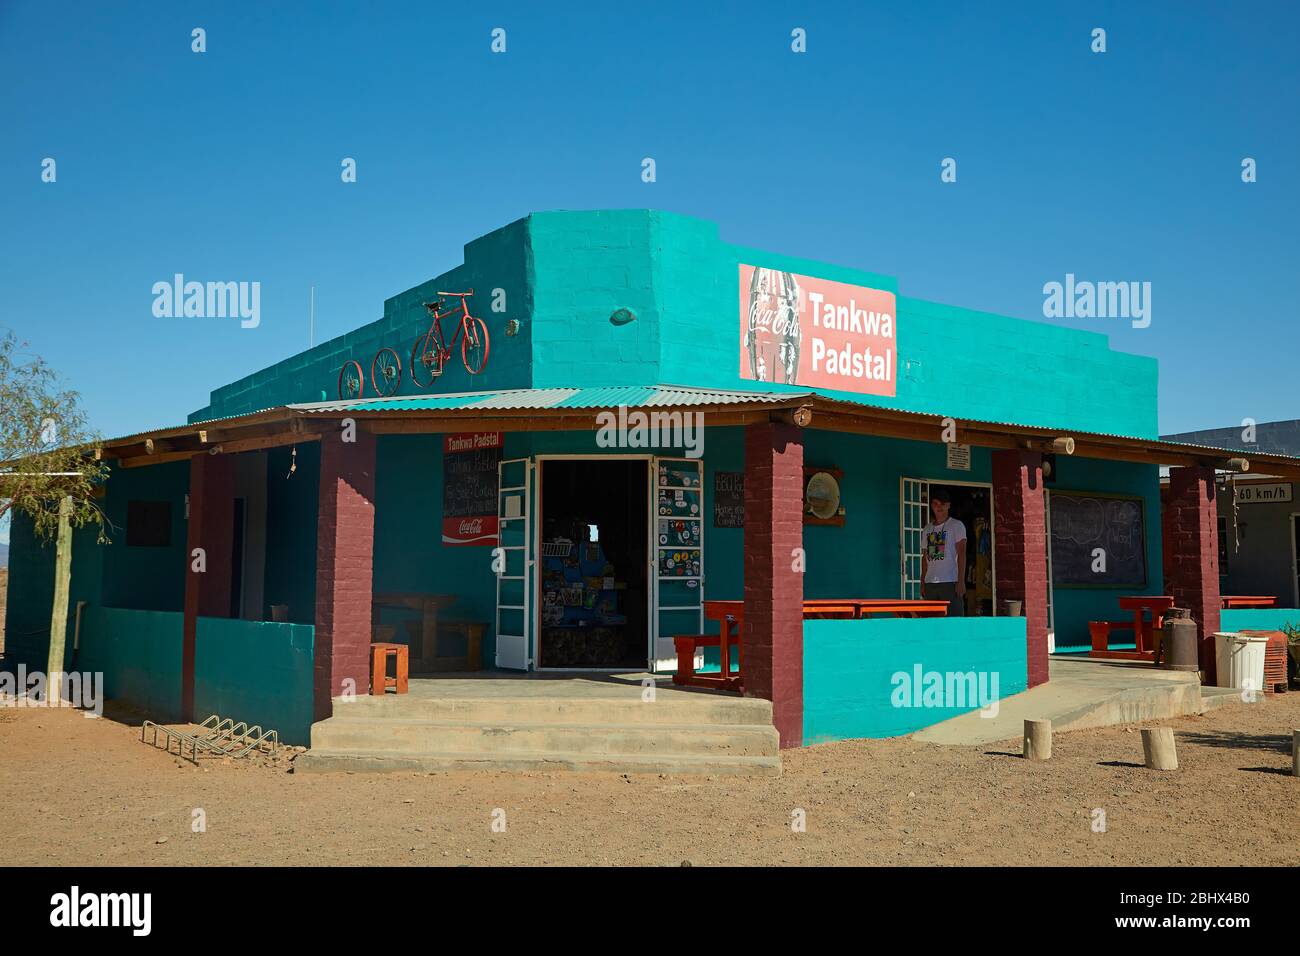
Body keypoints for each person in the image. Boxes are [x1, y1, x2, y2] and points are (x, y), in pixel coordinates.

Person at [921, 488, 966, 617]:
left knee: (953, 620)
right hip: (930, 582)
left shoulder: (956, 525)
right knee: (931, 621)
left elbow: (962, 553)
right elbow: (925, 558)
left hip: (950, 581)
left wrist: (961, 581)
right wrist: (922, 582)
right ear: (931, 506)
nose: (939, 507)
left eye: (942, 504)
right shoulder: (927, 529)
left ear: (948, 505)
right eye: (935, 504)